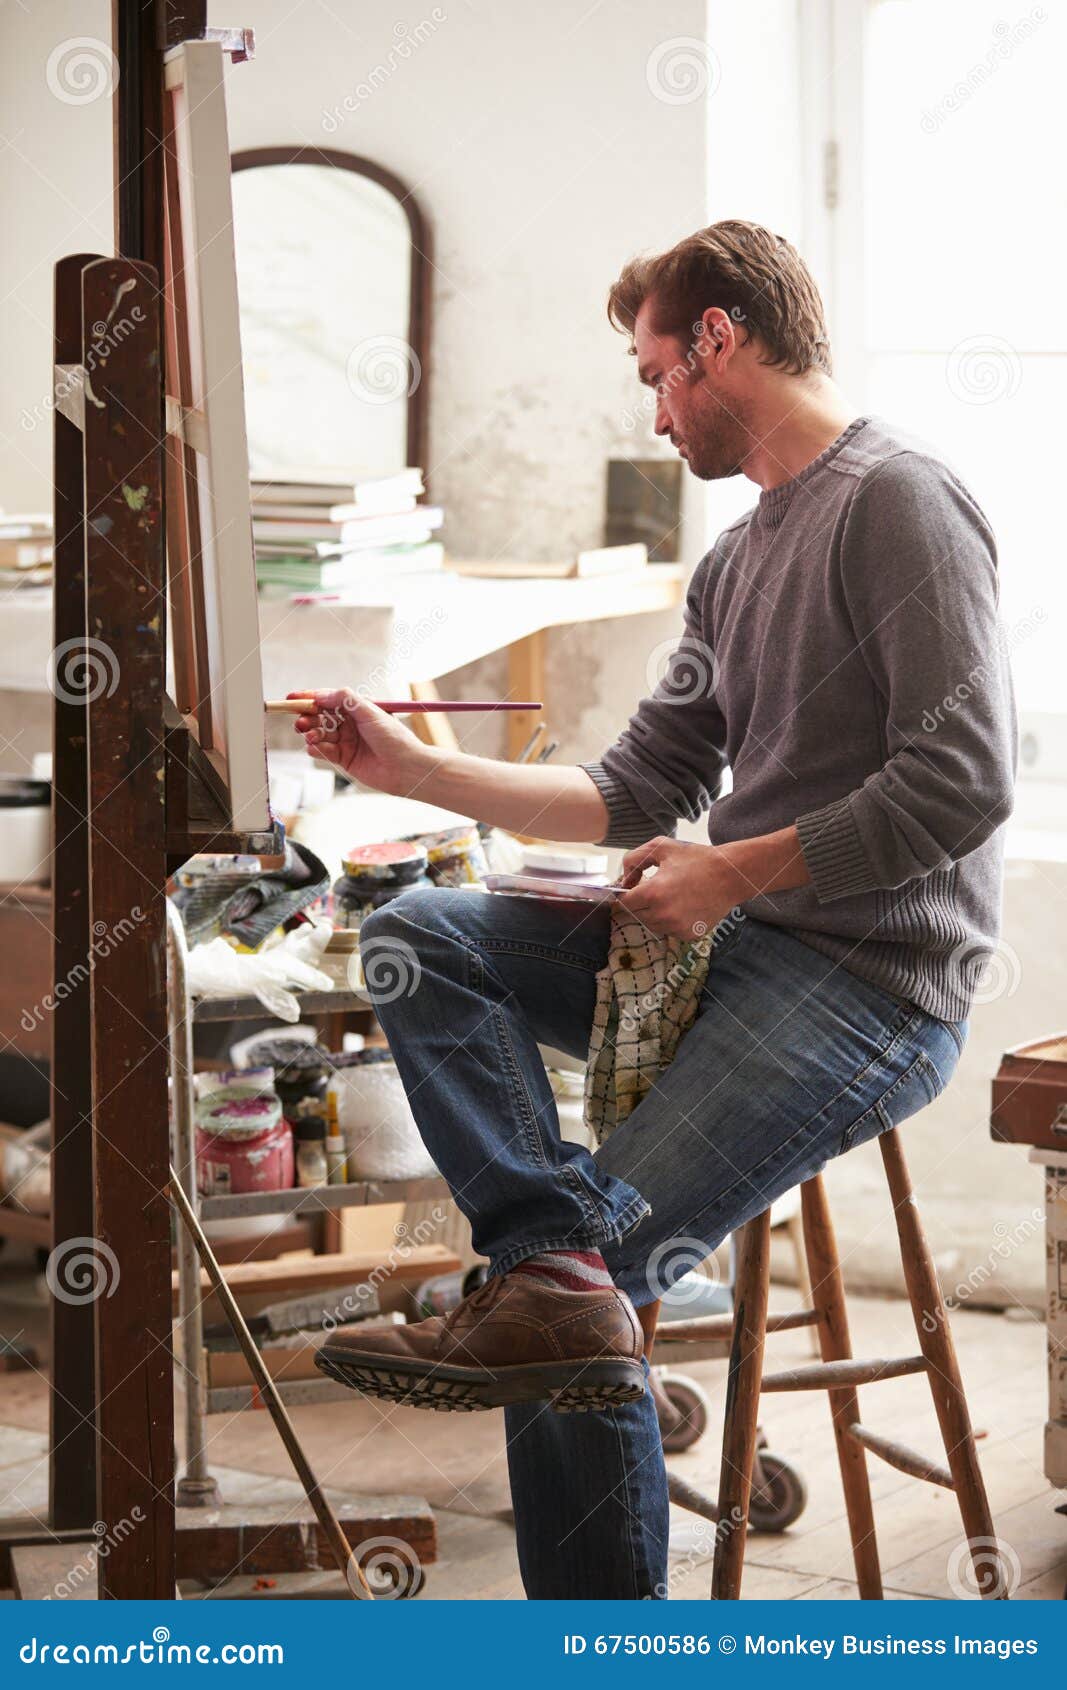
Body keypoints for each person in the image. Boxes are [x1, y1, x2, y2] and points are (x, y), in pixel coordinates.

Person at [294, 220, 1017, 1599]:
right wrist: (411, 767)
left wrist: (736, 869)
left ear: (718, 339)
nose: (653, 403)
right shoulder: (737, 562)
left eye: (655, 371)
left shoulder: (900, 500)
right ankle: (549, 1267)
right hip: (738, 947)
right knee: (422, 940)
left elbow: (968, 776)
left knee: (568, 1287)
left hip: (871, 987)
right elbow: (636, 785)